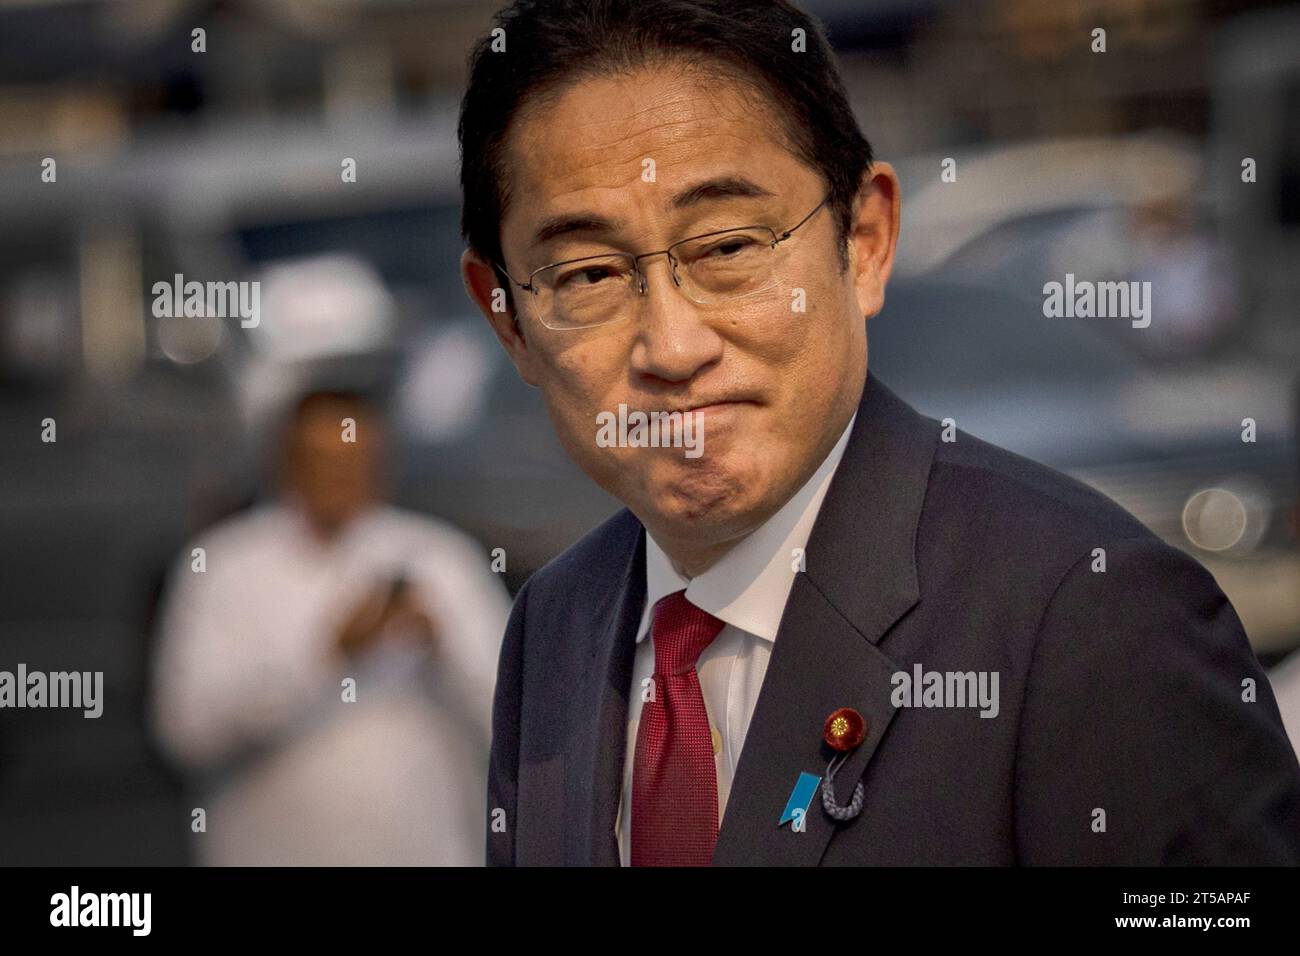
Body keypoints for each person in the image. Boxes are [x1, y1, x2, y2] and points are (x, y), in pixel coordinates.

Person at [456, 0, 1300, 865]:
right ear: (509, 321)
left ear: (865, 240)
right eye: (589, 273)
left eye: (728, 248)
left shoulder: (1090, 622)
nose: (673, 345)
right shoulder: (556, 624)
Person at [150, 390, 510, 865]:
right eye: (320, 459)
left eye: (355, 459)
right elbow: (185, 733)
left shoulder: (441, 559)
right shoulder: (220, 567)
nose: (338, 477)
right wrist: (326, 656)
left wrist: (448, 649)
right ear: (282, 462)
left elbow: (516, 724)